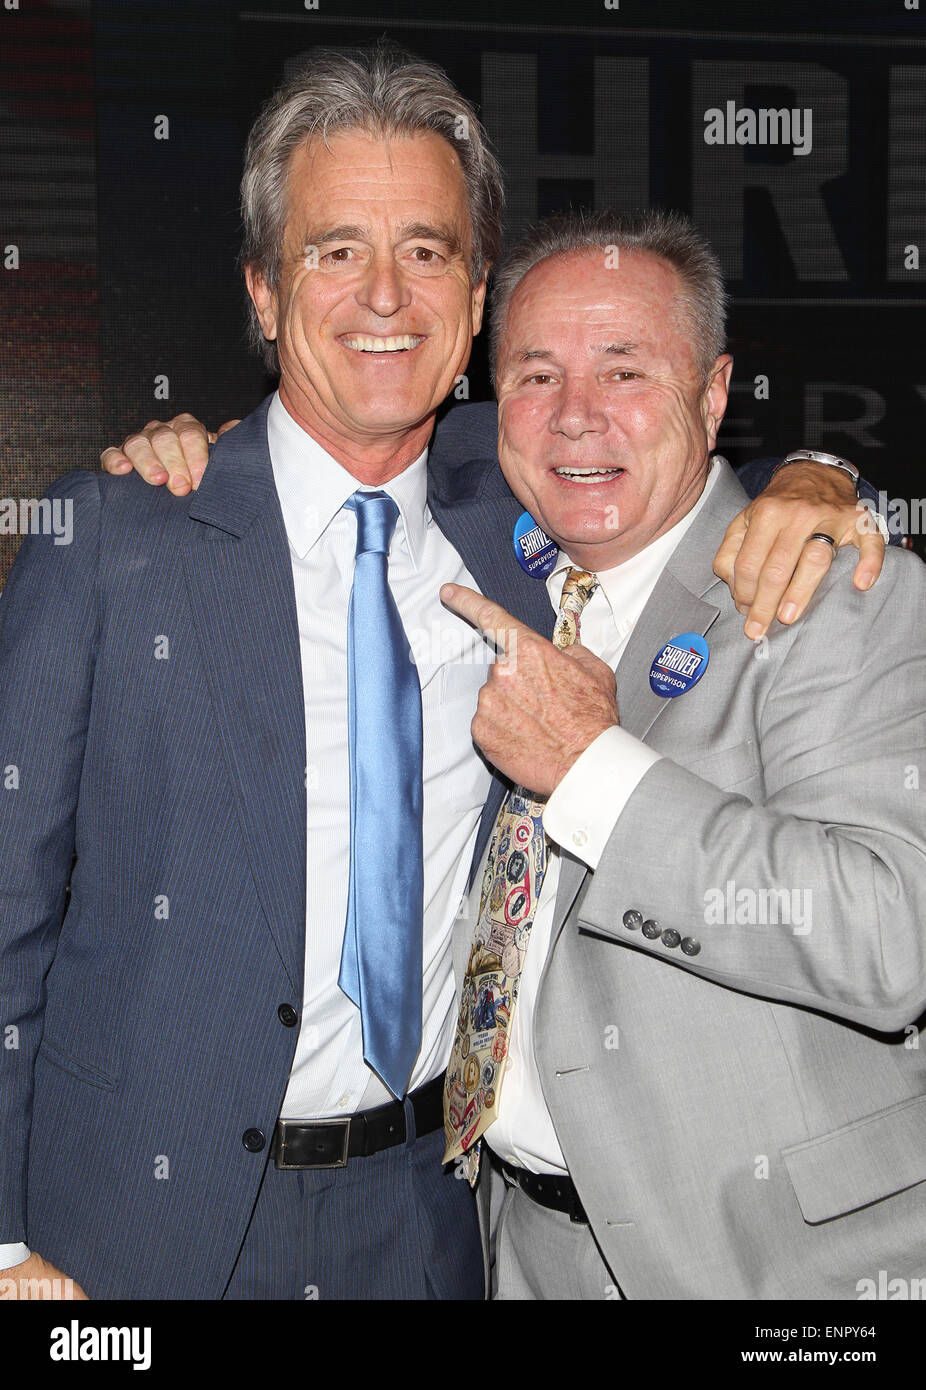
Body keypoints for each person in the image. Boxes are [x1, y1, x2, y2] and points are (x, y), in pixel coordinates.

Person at [0, 45, 885, 1301]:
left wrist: (820, 477)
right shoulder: (117, 538)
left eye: (425, 252)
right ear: (261, 291)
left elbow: (648, 429)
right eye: (332, 250)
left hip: (430, 1224)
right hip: (128, 1241)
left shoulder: (516, 511)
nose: (383, 298)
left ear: (474, 302)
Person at [438, 208, 926, 1300]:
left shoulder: (829, 588)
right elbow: (348, 421)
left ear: (711, 394)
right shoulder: (494, 553)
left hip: (777, 1268)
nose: (573, 417)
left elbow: (891, 936)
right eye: (532, 374)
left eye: (624, 371)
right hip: (522, 1251)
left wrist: (593, 770)